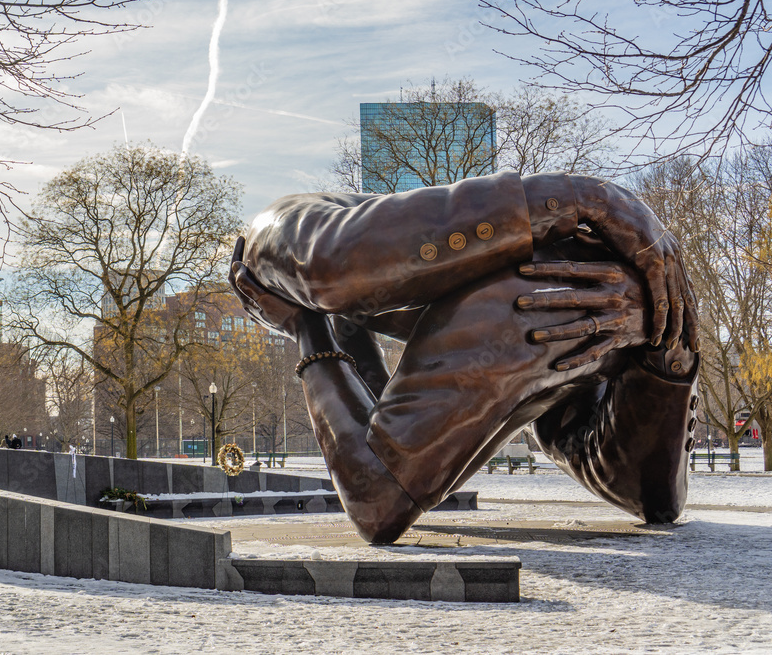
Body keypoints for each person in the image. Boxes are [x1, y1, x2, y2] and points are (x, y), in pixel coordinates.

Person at [230, 171, 699, 543]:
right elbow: (655, 499)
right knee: (329, 271)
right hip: (290, 241)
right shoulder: (525, 317)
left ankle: (596, 228)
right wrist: (669, 328)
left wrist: (668, 332)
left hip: (555, 308)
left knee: (332, 273)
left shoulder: (541, 329)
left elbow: (654, 499)